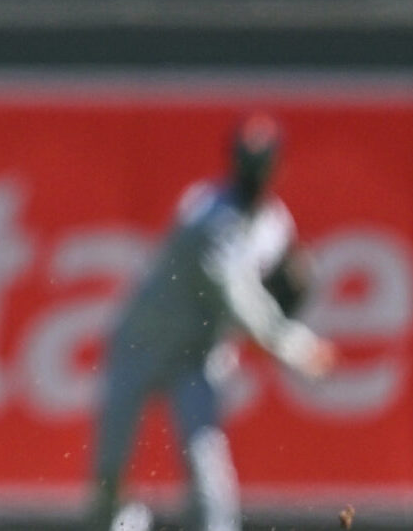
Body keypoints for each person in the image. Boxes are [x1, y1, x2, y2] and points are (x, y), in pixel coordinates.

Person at [84, 116, 338, 531]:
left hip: (196, 355)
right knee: (110, 475)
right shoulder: (205, 211)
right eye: (248, 161)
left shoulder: (275, 226)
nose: (255, 173)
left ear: (278, 166)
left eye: (263, 162)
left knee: (207, 472)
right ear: (233, 161)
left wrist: (288, 305)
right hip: (141, 343)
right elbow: (235, 295)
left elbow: (267, 294)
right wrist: (296, 346)